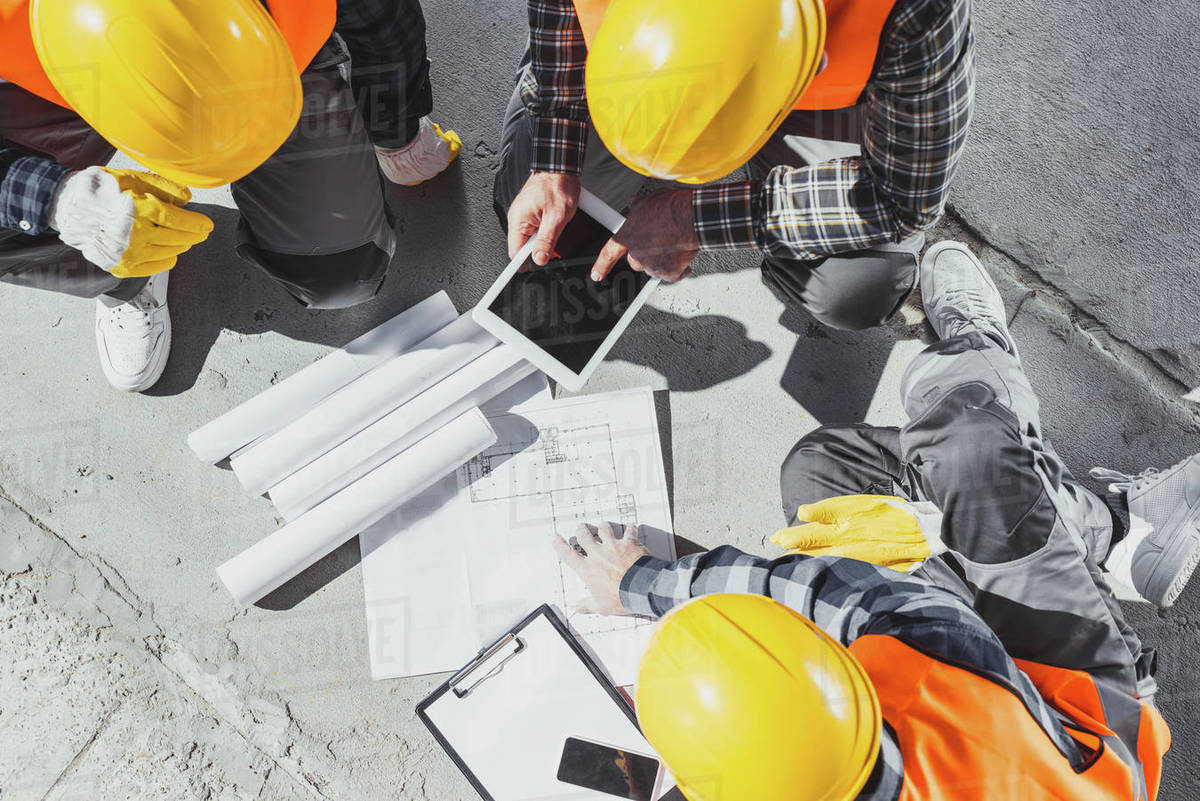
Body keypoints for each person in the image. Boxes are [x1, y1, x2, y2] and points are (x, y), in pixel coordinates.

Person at [553, 241, 1197, 800]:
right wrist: (639, 583)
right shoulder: (932, 673)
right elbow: (824, 592)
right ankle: (1111, 527)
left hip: (989, 696)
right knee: (967, 439)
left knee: (818, 474)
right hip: (1089, 718)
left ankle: (1079, 531)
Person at [0, 0, 460, 392]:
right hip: (29, 84)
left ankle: (264, 81)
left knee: (339, 267)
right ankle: (124, 278)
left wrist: (395, 133)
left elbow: (383, 19)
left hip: (262, 56)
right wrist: (57, 201)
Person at [495, 0, 973, 332]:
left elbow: (903, 198)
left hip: (820, 101)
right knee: (532, 206)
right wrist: (556, 158)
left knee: (854, 283)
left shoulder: (916, 12)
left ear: (815, 59)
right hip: (633, 50)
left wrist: (693, 220)